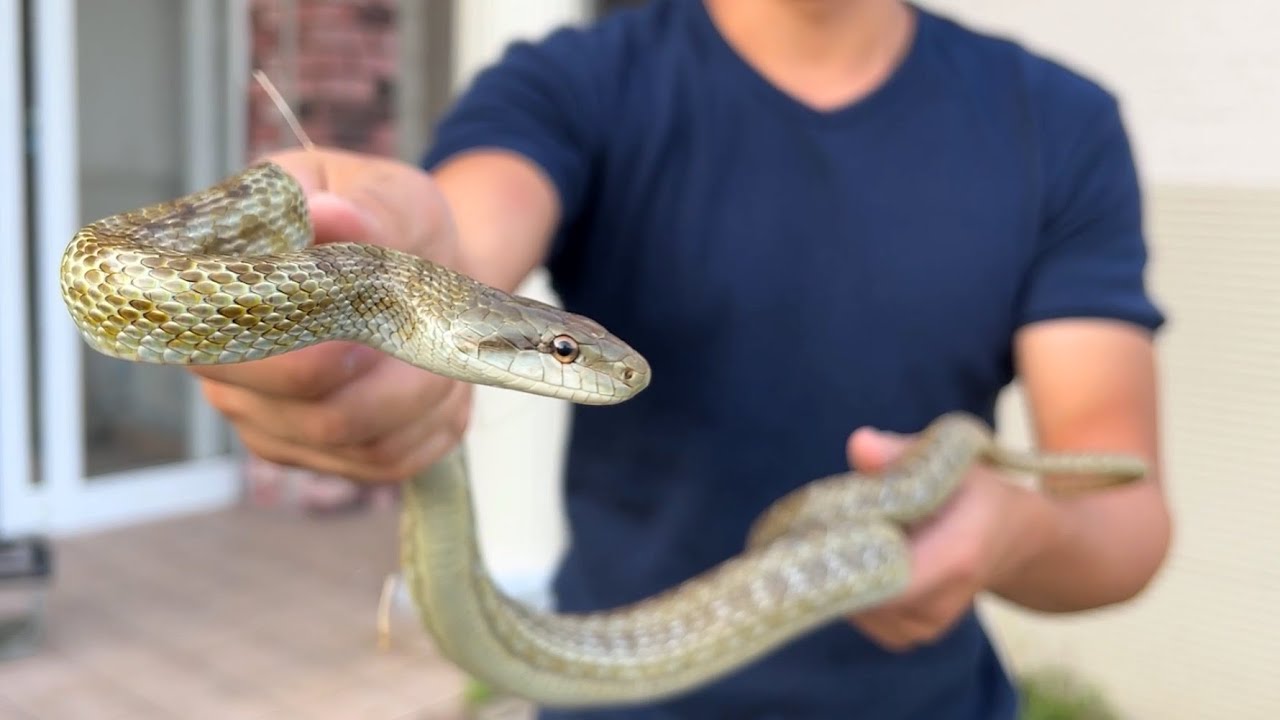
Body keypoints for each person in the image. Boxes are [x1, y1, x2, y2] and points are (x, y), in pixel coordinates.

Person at [193, 0, 1171, 717]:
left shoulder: (1057, 122)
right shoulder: (575, 80)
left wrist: (1009, 531)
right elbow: (460, 235)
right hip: (606, 693)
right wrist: (393, 240)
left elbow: (1121, 509)